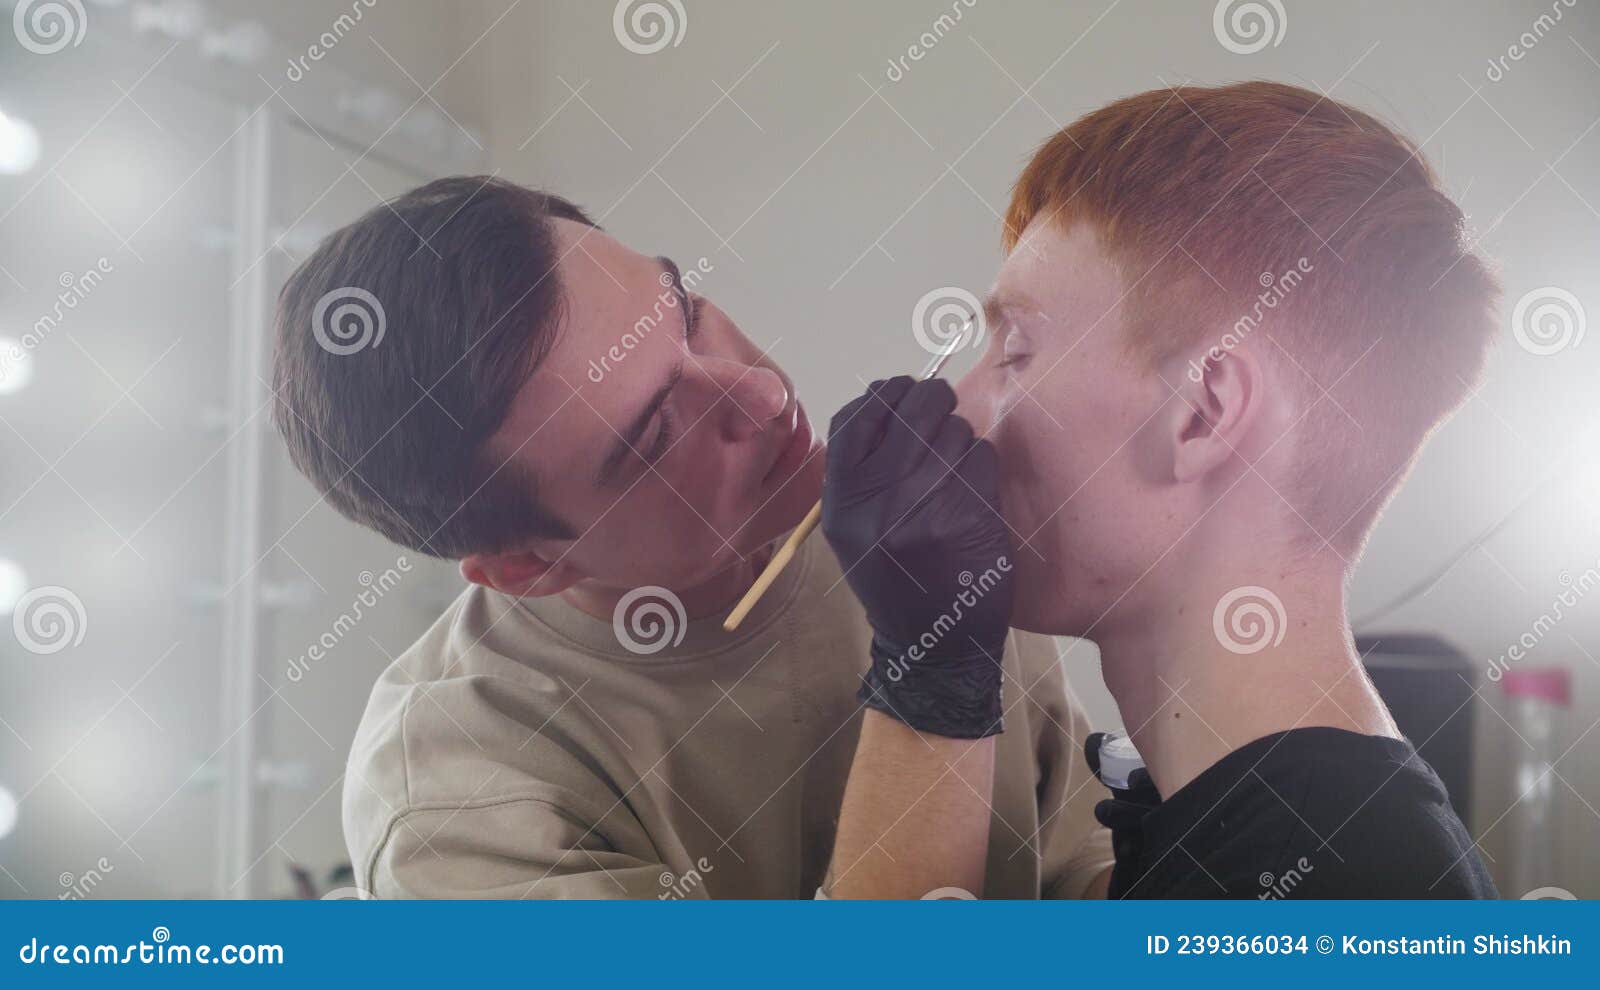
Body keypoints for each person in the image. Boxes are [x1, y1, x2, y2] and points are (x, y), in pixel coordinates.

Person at [270, 177, 1112, 898]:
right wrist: (932, 684)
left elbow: (1086, 872)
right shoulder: (455, 806)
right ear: (530, 567)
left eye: (688, 313)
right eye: (654, 434)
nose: (757, 393)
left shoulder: (912, 543)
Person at [821, 82, 1499, 899]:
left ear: (1202, 413)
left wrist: (921, 672)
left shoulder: (1323, 895)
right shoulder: (1278, 830)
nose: (959, 408)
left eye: (1016, 350)